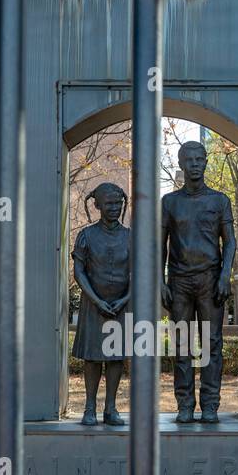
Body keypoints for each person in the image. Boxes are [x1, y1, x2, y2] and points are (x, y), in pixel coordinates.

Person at [161, 140, 236, 423]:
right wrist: (160, 281)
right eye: (188, 160)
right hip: (179, 281)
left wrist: (225, 275)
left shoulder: (220, 201)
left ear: (206, 162)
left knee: (212, 344)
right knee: (181, 345)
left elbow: (230, 243)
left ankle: (210, 405)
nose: (194, 164)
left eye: (199, 159)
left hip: (210, 280)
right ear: (180, 164)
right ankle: (184, 405)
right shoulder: (169, 202)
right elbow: (160, 246)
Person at [72, 182, 130, 426]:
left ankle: (111, 408)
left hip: (121, 305)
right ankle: (89, 408)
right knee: (93, 357)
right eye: (109, 204)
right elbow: (79, 272)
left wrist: (124, 300)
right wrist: (96, 300)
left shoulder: (131, 237)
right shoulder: (86, 236)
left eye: (118, 203)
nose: (115, 208)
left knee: (116, 357)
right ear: (97, 205)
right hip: (93, 305)